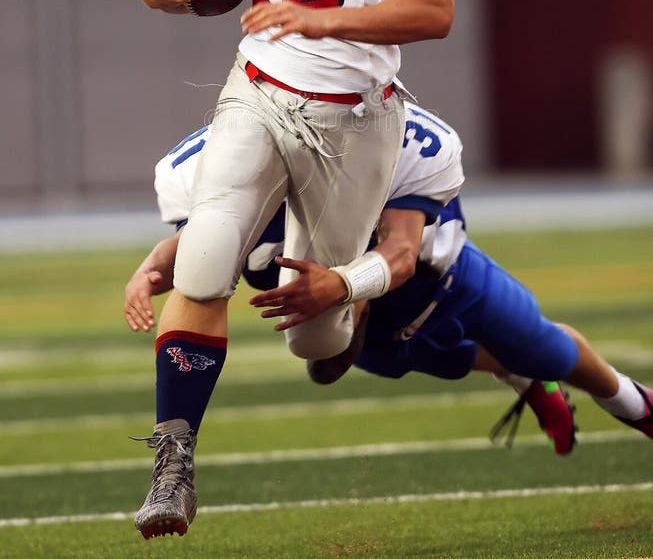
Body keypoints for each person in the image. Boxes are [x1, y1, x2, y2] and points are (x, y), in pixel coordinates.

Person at [133, 0, 456, 539]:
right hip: (259, 83)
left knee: (313, 340)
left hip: (354, 108)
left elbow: (433, 9)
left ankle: (342, 310)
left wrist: (325, 18)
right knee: (203, 259)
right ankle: (173, 463)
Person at [126, 106, 653, 485]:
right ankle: (520, 375)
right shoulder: (209, 166)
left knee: (544, 349)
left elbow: (401, 253)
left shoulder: (398, 139)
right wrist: (150, 271)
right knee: (343, 361)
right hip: (343, 310)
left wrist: (343, 284)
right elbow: (192, 247)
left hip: (434, 282)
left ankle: (632, 402)